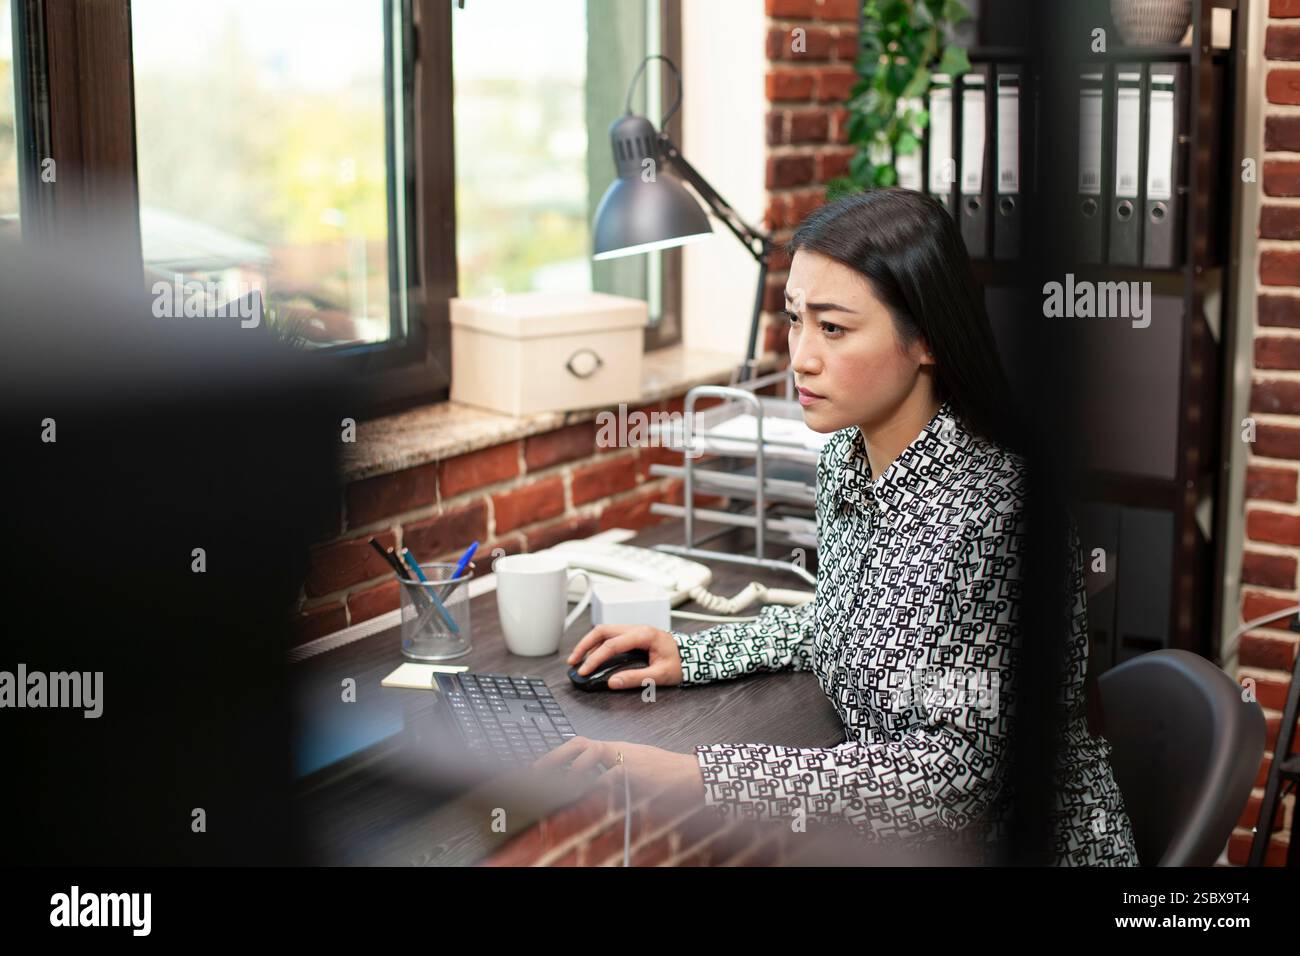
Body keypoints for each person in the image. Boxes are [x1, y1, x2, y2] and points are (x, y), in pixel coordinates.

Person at [535, 188, 1140, 866]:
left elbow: (954, 779)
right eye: (795, 319)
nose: (800, 356)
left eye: (833, 328)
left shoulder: (1000, 510)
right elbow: (841, 623)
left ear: (928, 341)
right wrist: (692, 654)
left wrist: (704, 776)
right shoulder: (847, 464)